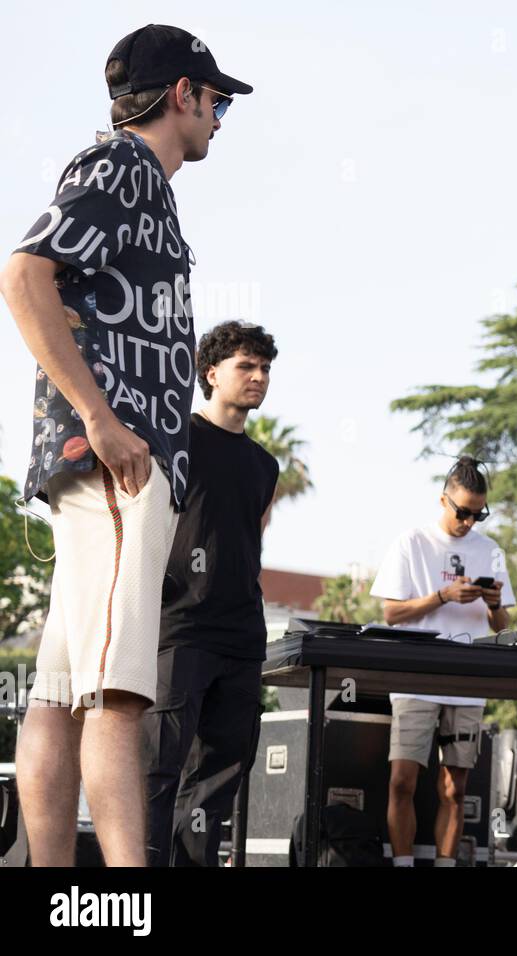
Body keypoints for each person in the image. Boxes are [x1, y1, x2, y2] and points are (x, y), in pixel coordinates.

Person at [3, 25, 251, 867]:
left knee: (57, 697)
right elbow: (22, 272)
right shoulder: (123, 167)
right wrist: (102, 422)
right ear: (183, 93)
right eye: (216, 99)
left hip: (106, 465)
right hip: (117, 464)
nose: (219, 115)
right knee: (117, 698)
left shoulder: (137, 180)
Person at [143, 322, 279, 866]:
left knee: (219, 777)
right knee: (156, 769)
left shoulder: (264, 465)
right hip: (179, 628)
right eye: (246, 366)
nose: (259, 377)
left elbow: (251, 544)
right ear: (211, 373)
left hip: (243, 637)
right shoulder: (176, 437)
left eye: (265, 368)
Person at [370, 456, 514, 867]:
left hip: (467, 680)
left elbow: (502, 625)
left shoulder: (490, 551)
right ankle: (402, 862)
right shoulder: (411, 542)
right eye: (463, 512)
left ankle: (446, 864)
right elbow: (390, 614)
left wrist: (493, 604)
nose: (470, 521)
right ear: (443, 500)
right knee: (403, 780)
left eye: (478, 514)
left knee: (455, 788)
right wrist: (443, 597)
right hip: (415, 675)